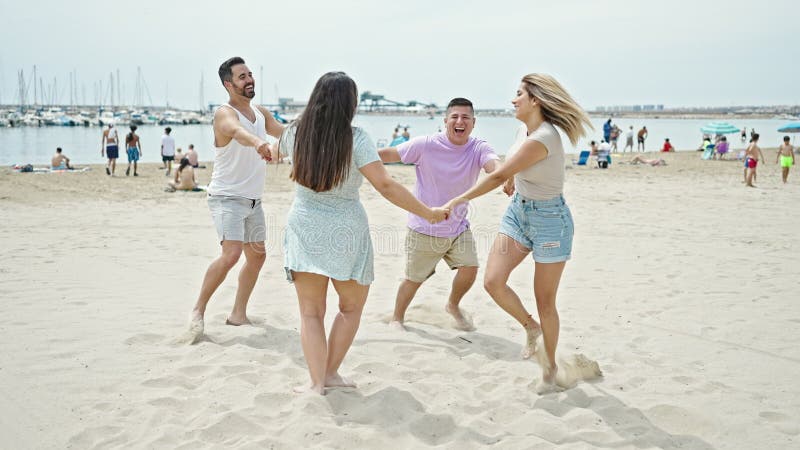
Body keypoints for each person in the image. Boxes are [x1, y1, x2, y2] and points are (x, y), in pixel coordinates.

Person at [280, 72, 448, 395]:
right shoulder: (356, 139)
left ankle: (316, 383)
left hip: (304, 226)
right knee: (350, 309)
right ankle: (329, 373)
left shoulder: (295, 134)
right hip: (346, 229)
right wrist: (427, 212)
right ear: (350, 104)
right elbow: (384, 184)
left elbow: (276, 146)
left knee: (310, 312)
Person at [444, 73, 592, 394]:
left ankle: (550, 368)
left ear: (535, 100)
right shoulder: (523, 130)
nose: (513, 100)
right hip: (519, 213)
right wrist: (514, 178)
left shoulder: (544, 138)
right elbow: (511, 167)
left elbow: (500, 175)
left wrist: (459, 199)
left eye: (519, 94)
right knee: (493, 281)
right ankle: (531, 328)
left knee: (546, 301)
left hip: (551, 221)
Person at [183, 56, 284, 343]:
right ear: (229, 84)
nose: (249, 79)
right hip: (227, 197)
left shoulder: (260, 113)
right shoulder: (224, 114)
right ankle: (198, 310)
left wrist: (316, 130)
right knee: (231, 255)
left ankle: (238, 314)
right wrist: (259, 143)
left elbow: (284, 133)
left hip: (253, 200)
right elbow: (239, 133)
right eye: (242, 76)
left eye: (250, 74)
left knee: (258, 255)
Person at [378, 98, 499, 332]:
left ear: (473, 123)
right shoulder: (425, 144)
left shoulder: (478, 148)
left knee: (470, 268)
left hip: (458, 228)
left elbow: (494, 165)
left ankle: (452, 305)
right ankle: (397, 317)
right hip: (424, 227)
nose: (460, 121)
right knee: (413, 279)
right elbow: (390, 154)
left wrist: (506, 175)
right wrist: (357, 155)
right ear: (445, 121)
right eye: (454, 117)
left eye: (465, 117)